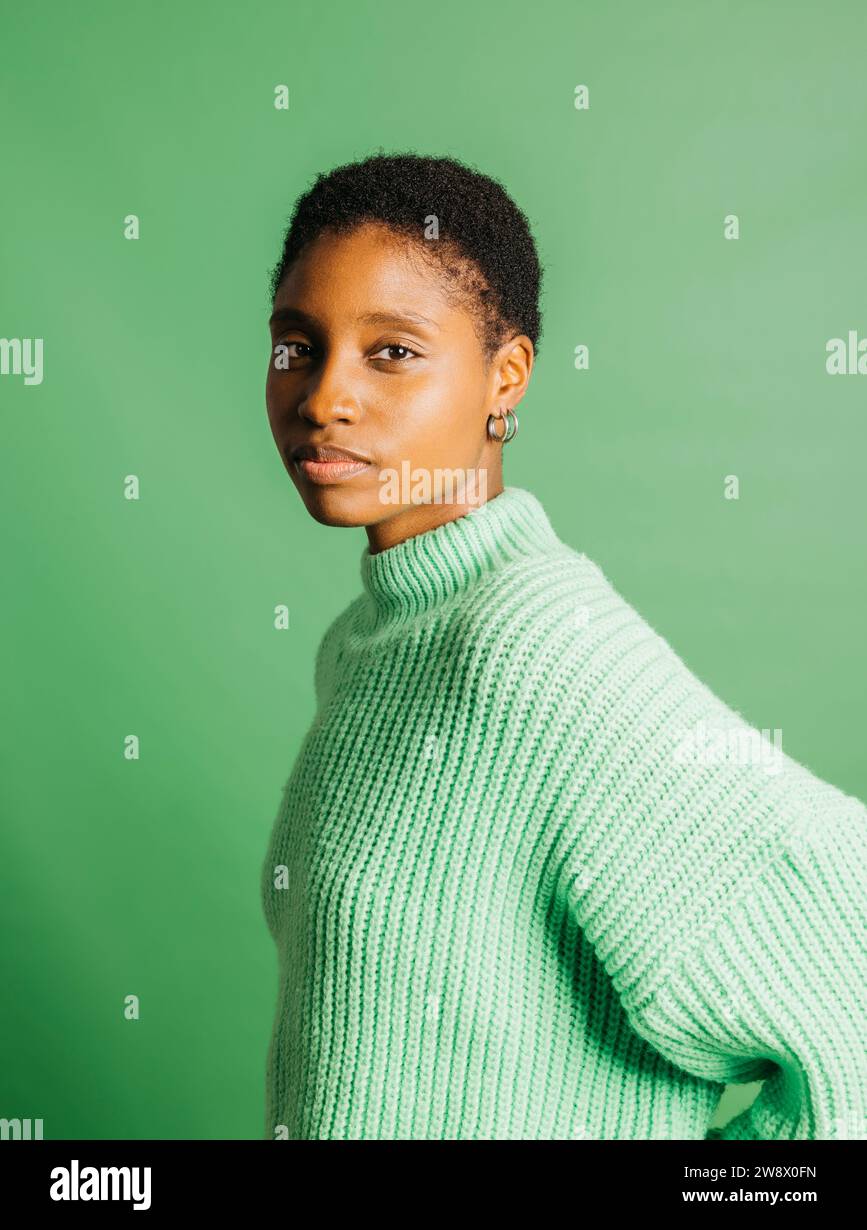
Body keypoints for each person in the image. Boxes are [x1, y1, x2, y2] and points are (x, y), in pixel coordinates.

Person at [260, 151, 867, 1141]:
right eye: (299, 344)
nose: (326, 395)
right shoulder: (365, 643)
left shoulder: (534, 645)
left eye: (392, 351)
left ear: (507, 377)